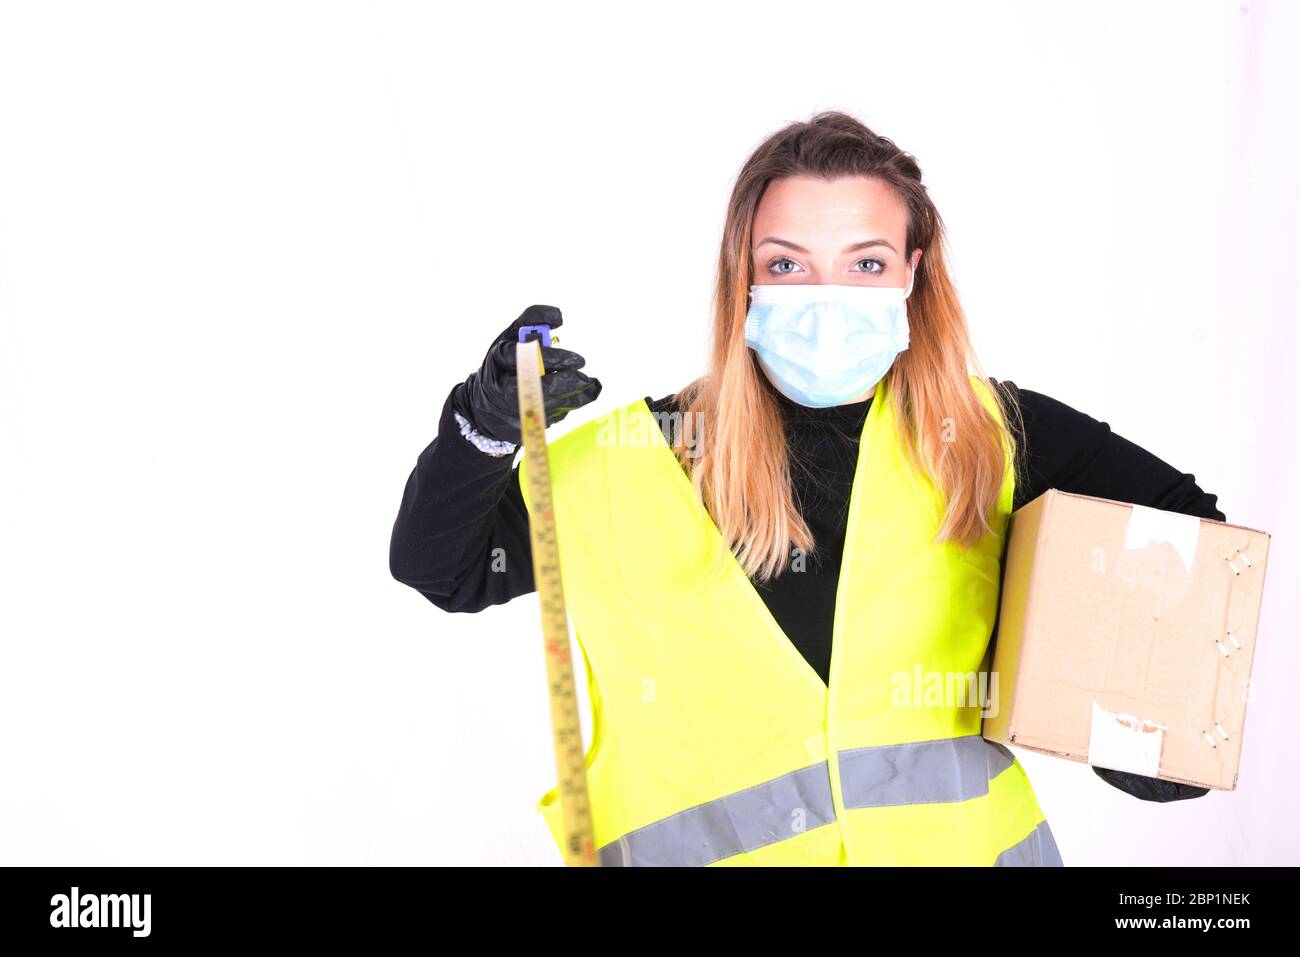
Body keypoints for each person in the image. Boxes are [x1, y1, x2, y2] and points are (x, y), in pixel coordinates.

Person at [389, 111, 1222, 867]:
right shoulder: (640, 457)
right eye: (787, 263)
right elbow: (444, 565)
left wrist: (1122, 717)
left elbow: (1190, 541)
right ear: (741, 277)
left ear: (913, 271)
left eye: (866, 262)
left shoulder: (990, 435)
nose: (828, 300)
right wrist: (484, 428)